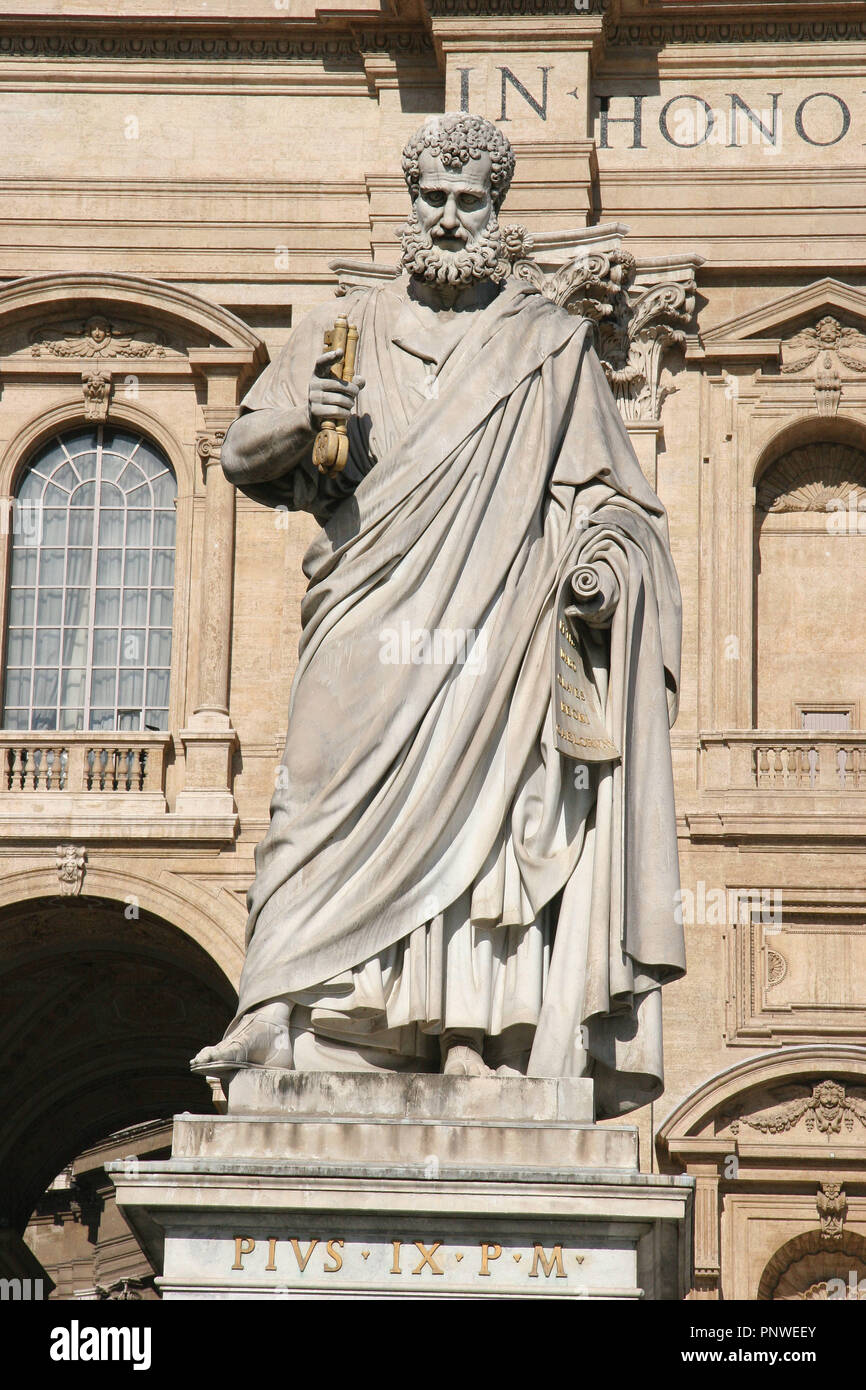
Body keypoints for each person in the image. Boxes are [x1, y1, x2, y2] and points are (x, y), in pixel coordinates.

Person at [191, 113, 684, 1117]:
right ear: (406, 204)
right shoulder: (339, 330)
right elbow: (240, 457)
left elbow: (615, 500)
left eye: (470, 202)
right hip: (362, 623)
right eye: (433, 199)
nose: (450, 218)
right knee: (311, 802)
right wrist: (301, 417)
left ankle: (469, 1032)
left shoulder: (548, 344)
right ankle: (291, 1008)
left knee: (486, 829)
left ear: (497, 214)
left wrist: (599, 565)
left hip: (491, 639)